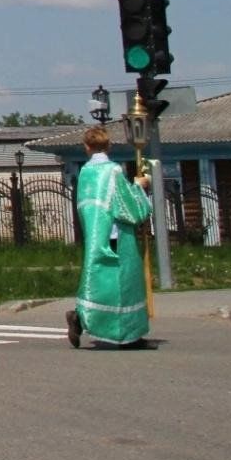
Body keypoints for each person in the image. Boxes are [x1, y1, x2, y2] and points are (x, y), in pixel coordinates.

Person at [68, 126, 154, 350]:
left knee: (98, 280)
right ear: (109, 146)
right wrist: (140, 187)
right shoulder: (113, 170)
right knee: (124, 281)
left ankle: (81, 316)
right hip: (116, 235)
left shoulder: (85, 172)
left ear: (86, 147)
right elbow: (128, 208)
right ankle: (128, 334)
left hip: (95, 236)